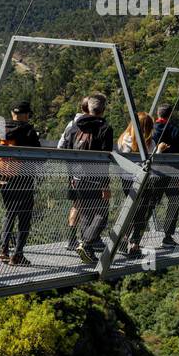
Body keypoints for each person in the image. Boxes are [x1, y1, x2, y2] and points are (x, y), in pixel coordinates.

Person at [59, 92, 115, 265]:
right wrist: (105, 184)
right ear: (103, 109)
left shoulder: (73, 128)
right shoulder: (105, 128)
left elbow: (66, 153)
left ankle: (88, 251)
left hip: (76, 178)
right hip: (96, 179)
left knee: (85, 212)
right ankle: (86, 243)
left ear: (88, 108)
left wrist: (71, 177)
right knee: (101, 214)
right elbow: (105, 158)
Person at [129, 103, 179, 253]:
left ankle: (135, 240)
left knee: (147, 207)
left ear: (158, 114)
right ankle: (167, 237)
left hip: (153, 174)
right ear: (170, 115)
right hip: (171, 173)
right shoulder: (174, 131)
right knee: (173, 202)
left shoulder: (151, 131)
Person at [0, 100, 42, 266]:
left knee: (9, 213)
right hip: (23, 178)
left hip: (3, 177)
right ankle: (18, 255)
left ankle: (3, 250)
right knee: (24, 217)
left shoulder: (0, 128)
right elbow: (39, 157)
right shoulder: (28, 130)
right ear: (24, 115)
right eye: (28, 114)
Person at [114, 112, 153, 257]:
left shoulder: (124, 138)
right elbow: (151, 158)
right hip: (142, 180)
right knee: (141, 213)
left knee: (130, 210)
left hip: (126, 179)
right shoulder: (147, 141)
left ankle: (123, 239)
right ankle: (135, 245)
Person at [60, 99, 89, 250]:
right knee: (89, 205)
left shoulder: (71, 124)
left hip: (72, 172)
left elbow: (60, 146)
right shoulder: (90, 125)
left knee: (76, 205)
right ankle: (87, 241)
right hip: (88, 172)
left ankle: (72, 240)